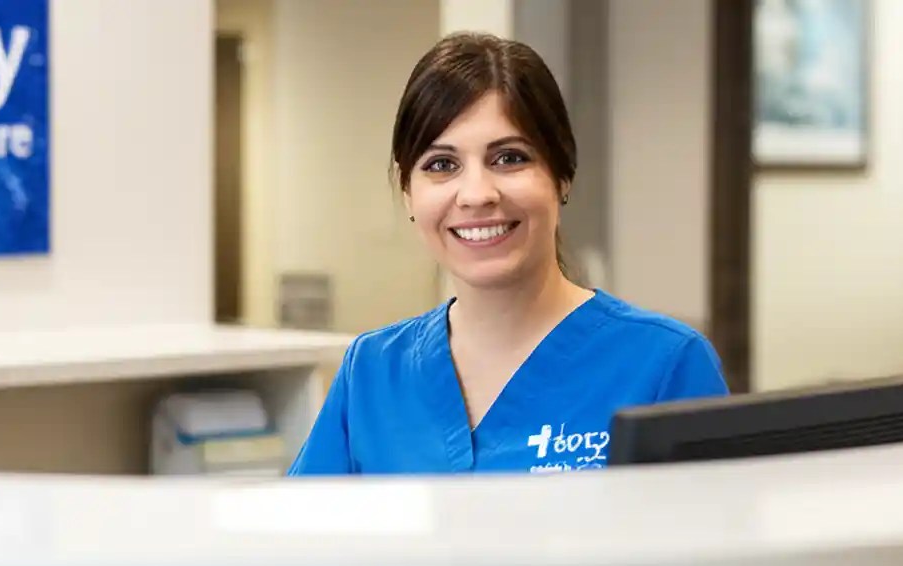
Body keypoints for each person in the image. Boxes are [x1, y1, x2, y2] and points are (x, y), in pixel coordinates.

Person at [288, 32, 728, 476]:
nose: (477, 194)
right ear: (408, 192)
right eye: (442, 165)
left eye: (509, 158)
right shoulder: (372, 372)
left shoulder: (665, 365)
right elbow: (297, 540)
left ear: (562, 176)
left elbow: (720, 538)